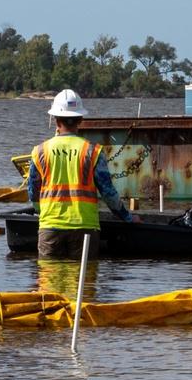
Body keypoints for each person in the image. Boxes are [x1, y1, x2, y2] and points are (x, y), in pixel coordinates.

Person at [25, 89, 132, 259]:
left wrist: (41, 212)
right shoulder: (93, 151)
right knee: (85, 281)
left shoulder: (39, 151)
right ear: (80, 119)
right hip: (85, 228)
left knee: (49, 282)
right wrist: (127, 217)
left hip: (51, 226)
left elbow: (32, 191)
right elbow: (108, 192)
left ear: (55, 119)